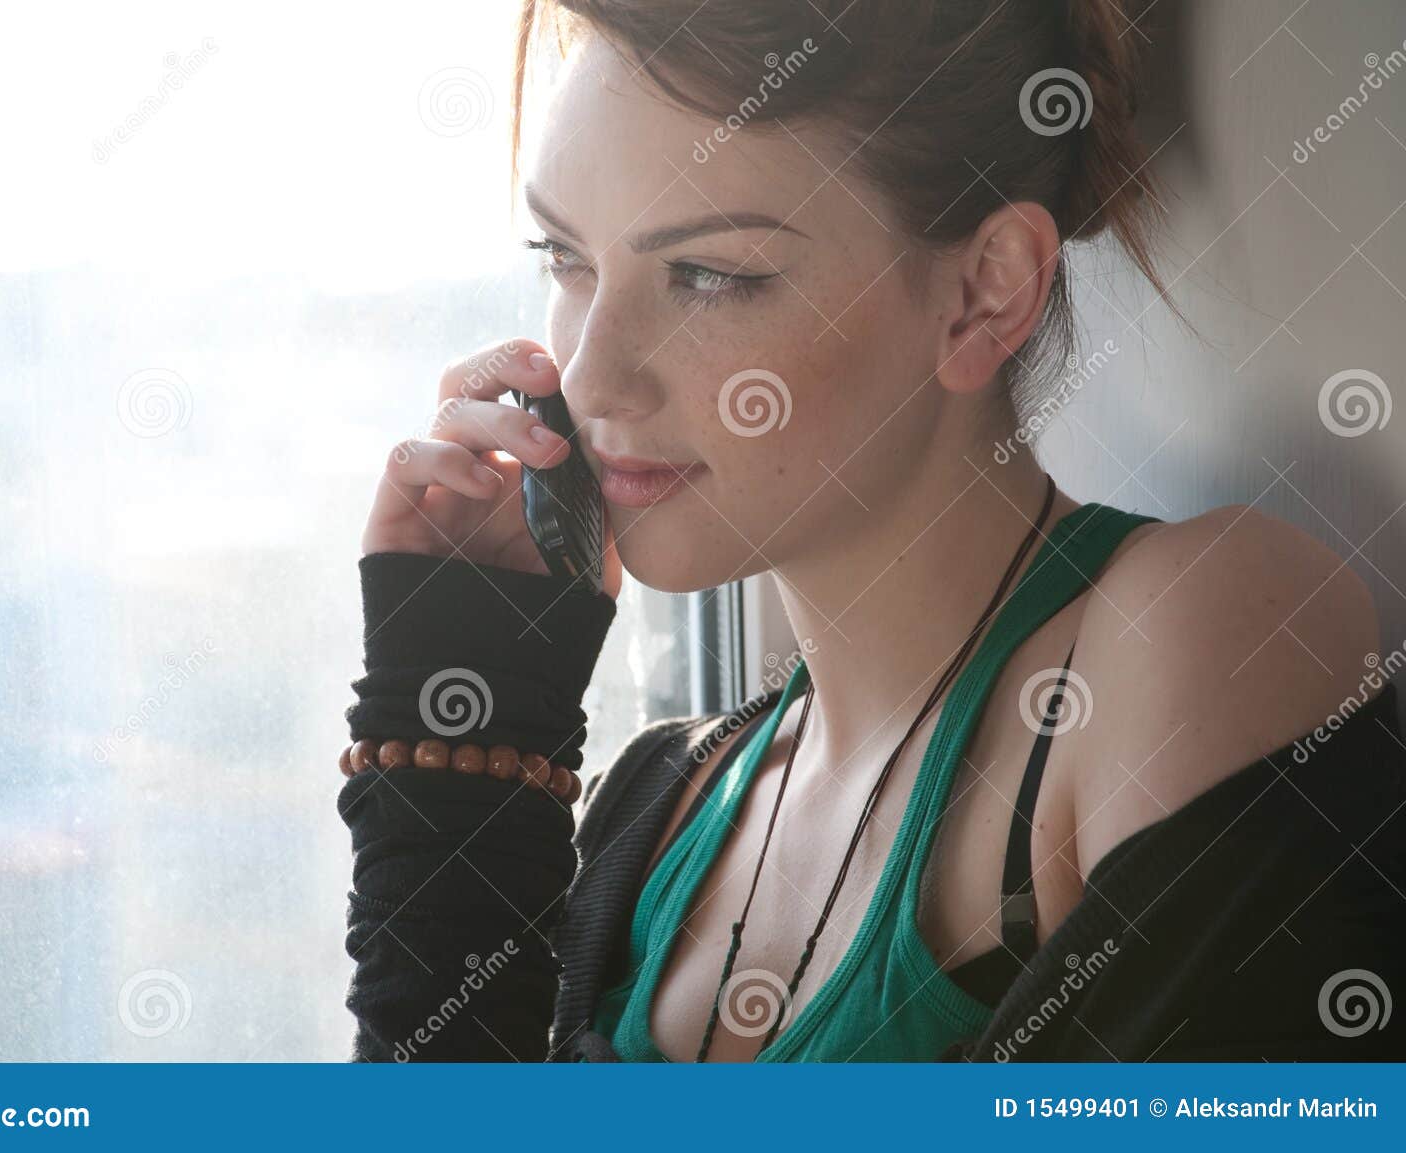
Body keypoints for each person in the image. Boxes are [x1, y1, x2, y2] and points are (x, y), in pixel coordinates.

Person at [337, 0, 1406, 1062]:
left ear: (985, 295)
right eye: (566, 259)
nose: (589, 373)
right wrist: (462, 766)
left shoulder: (1188, 634)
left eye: (710, 274)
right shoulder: (656, 805)